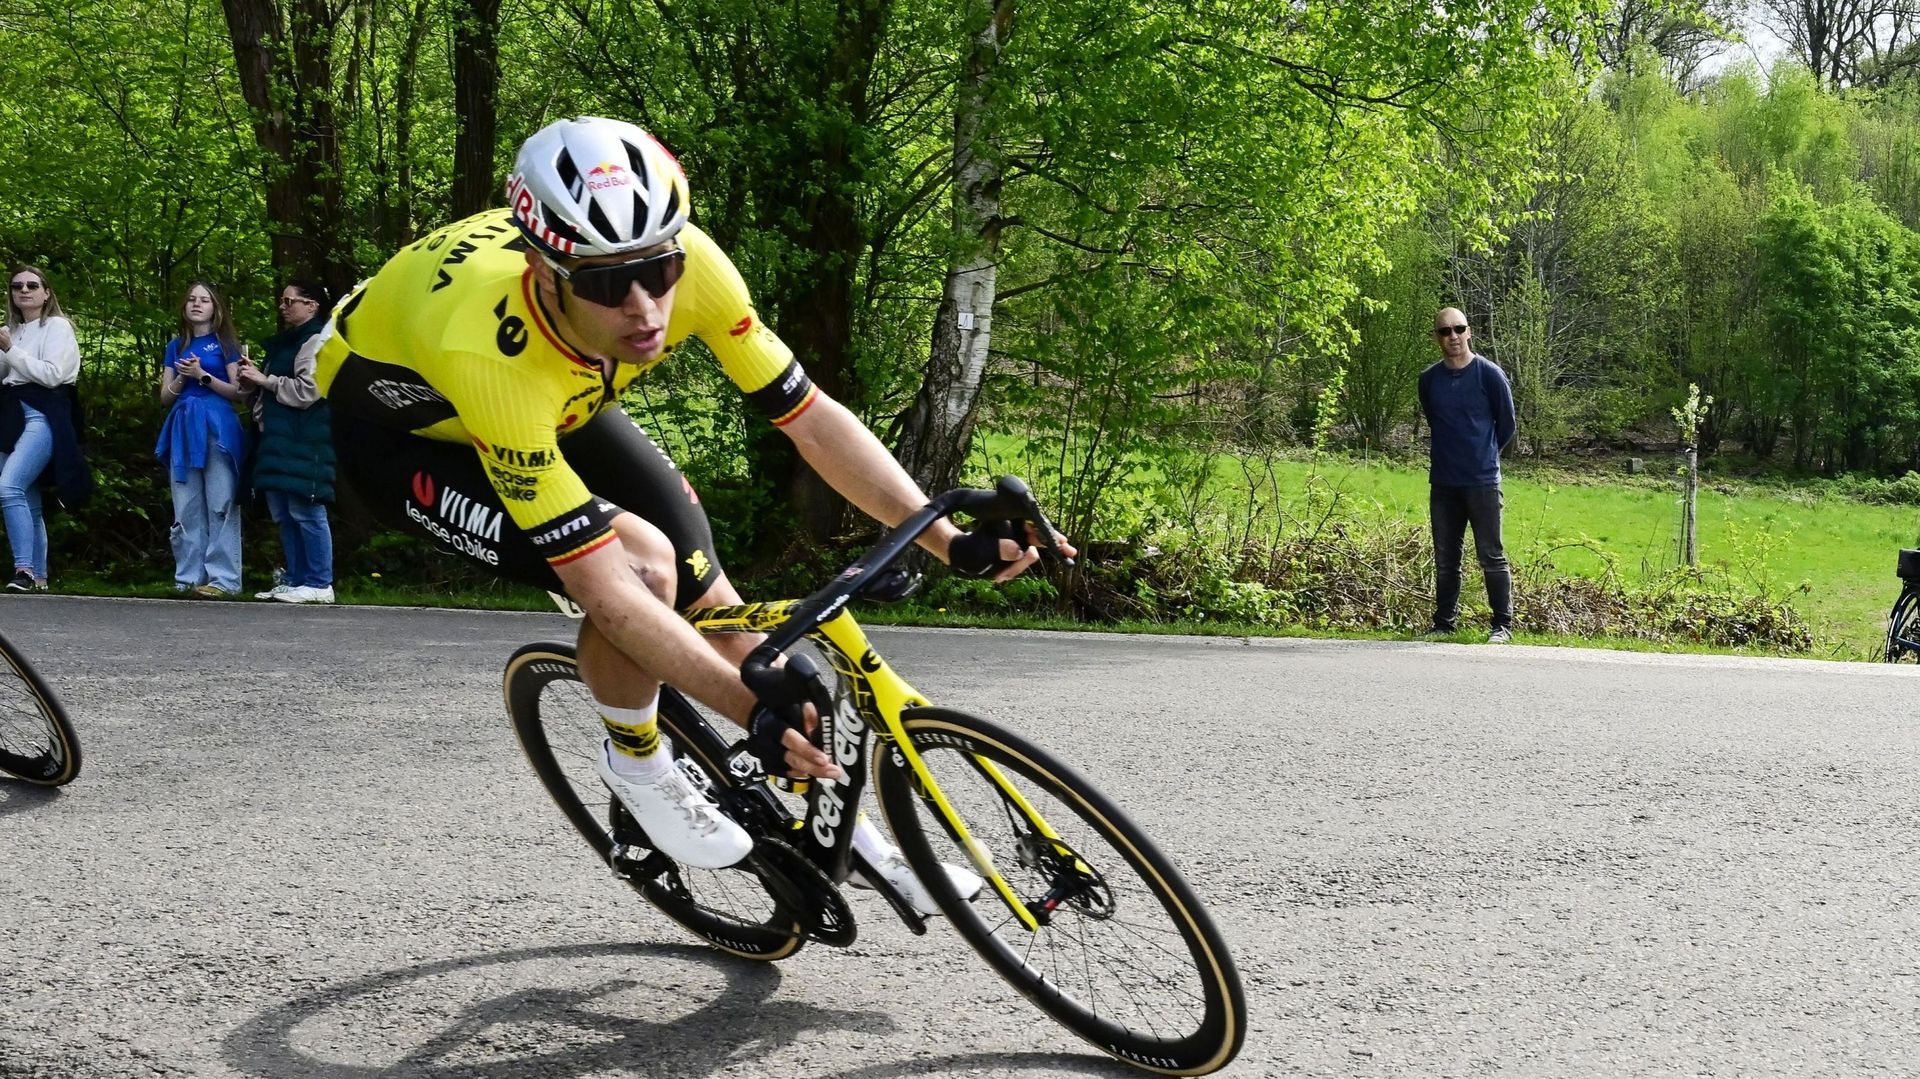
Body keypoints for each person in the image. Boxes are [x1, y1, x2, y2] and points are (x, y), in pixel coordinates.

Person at [313, 116, 1074, 913]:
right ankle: (637, 765)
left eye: (659, 270)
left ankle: (853, 839)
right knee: (642, 568)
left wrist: (946, 537)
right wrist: (746, 708)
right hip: (408, 437)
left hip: (559, 398)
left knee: (718, 604)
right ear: (543, 270)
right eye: (609, 284)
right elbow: (607, 588)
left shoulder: (694, 270)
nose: (645, 309)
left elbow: (810, 417)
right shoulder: (488, 346)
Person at [1417, 306, 1517, 643]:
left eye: (1458, 329)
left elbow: (1507, 425)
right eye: (1445, 331)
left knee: (1491, 554)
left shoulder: (1490, 374)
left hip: (1483, 481)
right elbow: (1436, 420)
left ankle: (1502, 626)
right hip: (1444, 482)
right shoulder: (1429, 380)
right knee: (1446, 558)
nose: (1453, 337)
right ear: (1436, 338)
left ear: (1469, 331)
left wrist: (1483, 455)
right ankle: (1444, 623)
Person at [239, 280, 336, 604]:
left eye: (289, 300)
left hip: (304, 438)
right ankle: (296, 579)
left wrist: (264, 379)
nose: (282, 306)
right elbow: (271, 388)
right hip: (278, 438)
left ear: (312, 306)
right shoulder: (286, 343)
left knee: (306, 509)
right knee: (283, 512)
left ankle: (320, 583)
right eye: (281, 300)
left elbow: (310, 391)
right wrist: (253, 377)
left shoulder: (314, 340)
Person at [157, 281, 249, 597]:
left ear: (215, 308)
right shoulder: (175, 346)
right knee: (185, 504)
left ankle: (224, 580)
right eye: (192, 299)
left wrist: (203, 377)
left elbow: (239, 392)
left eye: (205, 300)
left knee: (221, 501)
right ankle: (188, 578)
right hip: (183, 426)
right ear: (184, 307)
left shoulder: (226, 344)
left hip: (217, 425)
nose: (197, 304)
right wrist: (184, 376)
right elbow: (165, 398)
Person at [0, 266, 83, 592]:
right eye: (17, 286)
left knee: (8, 487)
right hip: (10, 415)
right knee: (27, 498)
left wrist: (10, 350)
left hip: (42, 412)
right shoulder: (15, 331)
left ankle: (24, 570)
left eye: (32, 285)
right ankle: (40, 578)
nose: (24, 291)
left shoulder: (58, 327)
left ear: (46, 292)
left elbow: (51, 375)